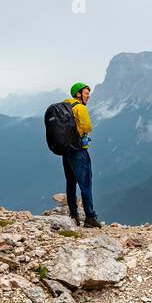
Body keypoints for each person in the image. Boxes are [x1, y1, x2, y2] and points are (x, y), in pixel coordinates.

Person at [63, 82, 102, 228]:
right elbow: (87, 127)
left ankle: (73, 215)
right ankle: (90, 217)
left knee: (70, 183)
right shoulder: (80, 108)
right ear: (78, 94)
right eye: (86, 93)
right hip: (79, 150)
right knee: (85, 184)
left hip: (66, 150)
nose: (88, 96)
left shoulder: (65, 106)